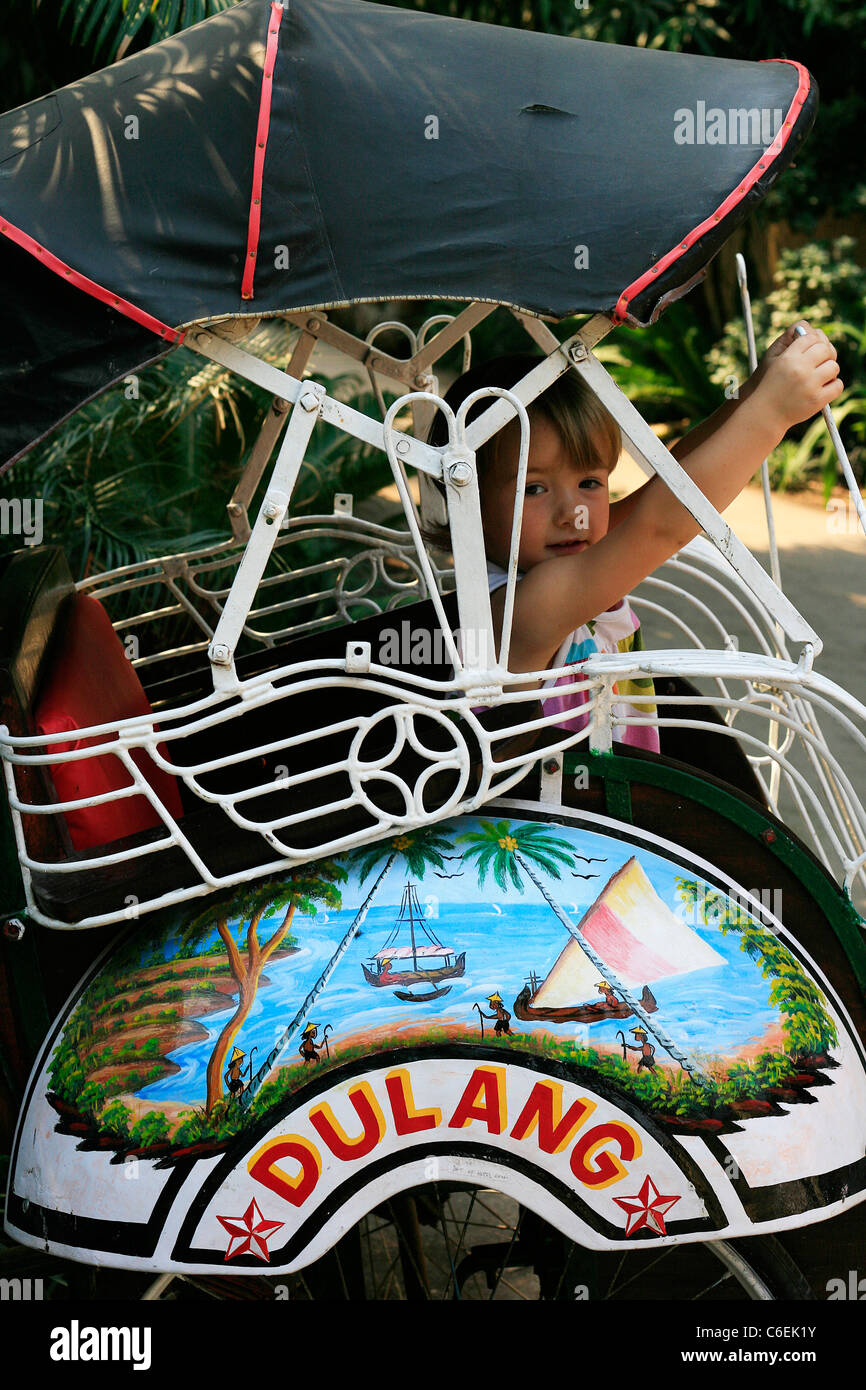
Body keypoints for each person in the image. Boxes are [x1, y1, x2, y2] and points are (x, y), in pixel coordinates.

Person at [427, 329, 841, 746]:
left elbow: (670, 483)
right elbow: (663, 525)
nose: (574, 514)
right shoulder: (524, 609)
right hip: (554, 810)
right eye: (533, 488)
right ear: (467, 499)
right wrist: (772, 414)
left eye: (590, 481)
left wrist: (750, 393)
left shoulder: (562, 553)